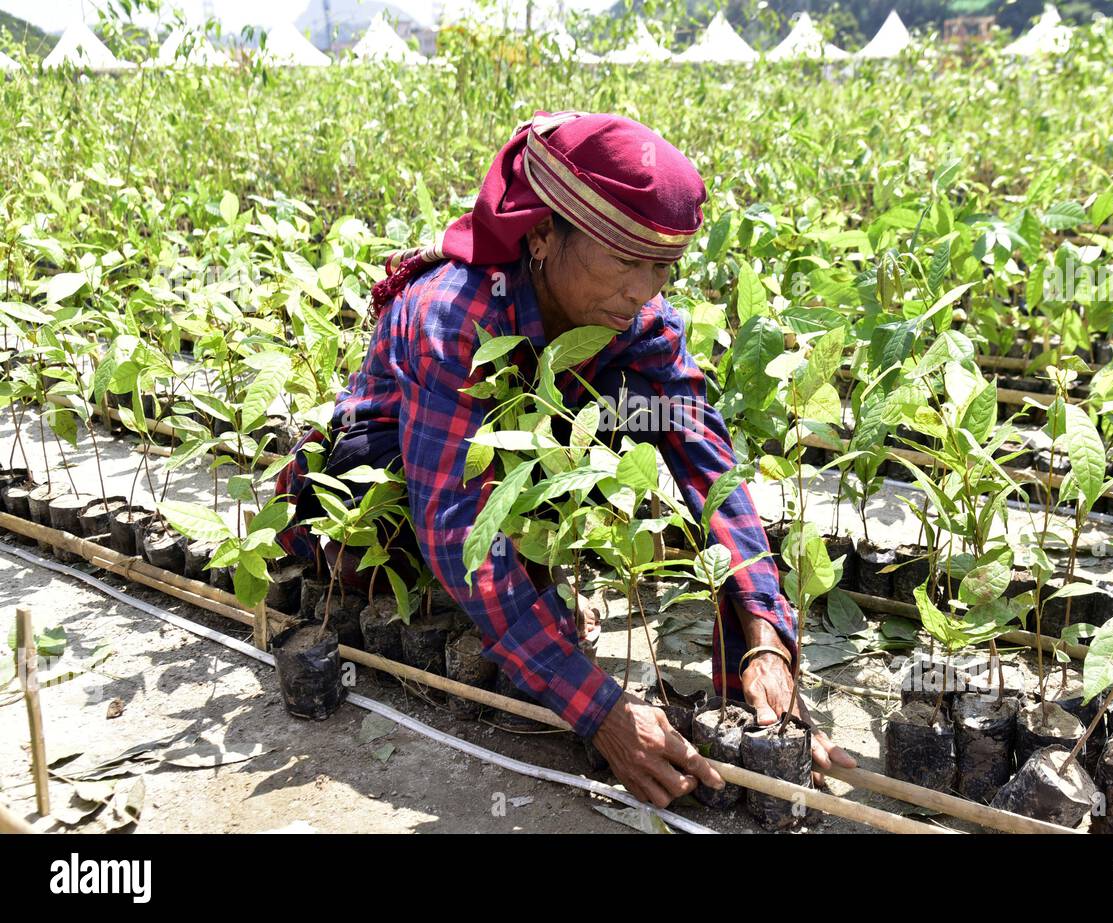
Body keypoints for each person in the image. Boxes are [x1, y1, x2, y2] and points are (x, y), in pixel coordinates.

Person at [276, 109, 856, 809]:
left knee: (637, 410)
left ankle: (749, 691)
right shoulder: (455, 314)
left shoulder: (641, 323)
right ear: (545, 236)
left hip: (499, 471)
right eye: (623, 262)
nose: (642, 290)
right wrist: (599, 709)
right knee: (398, 553)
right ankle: (491, 600)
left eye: (662, 268)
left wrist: (767, 635)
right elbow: (457, 528)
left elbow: (710, 464)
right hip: (392, 479)